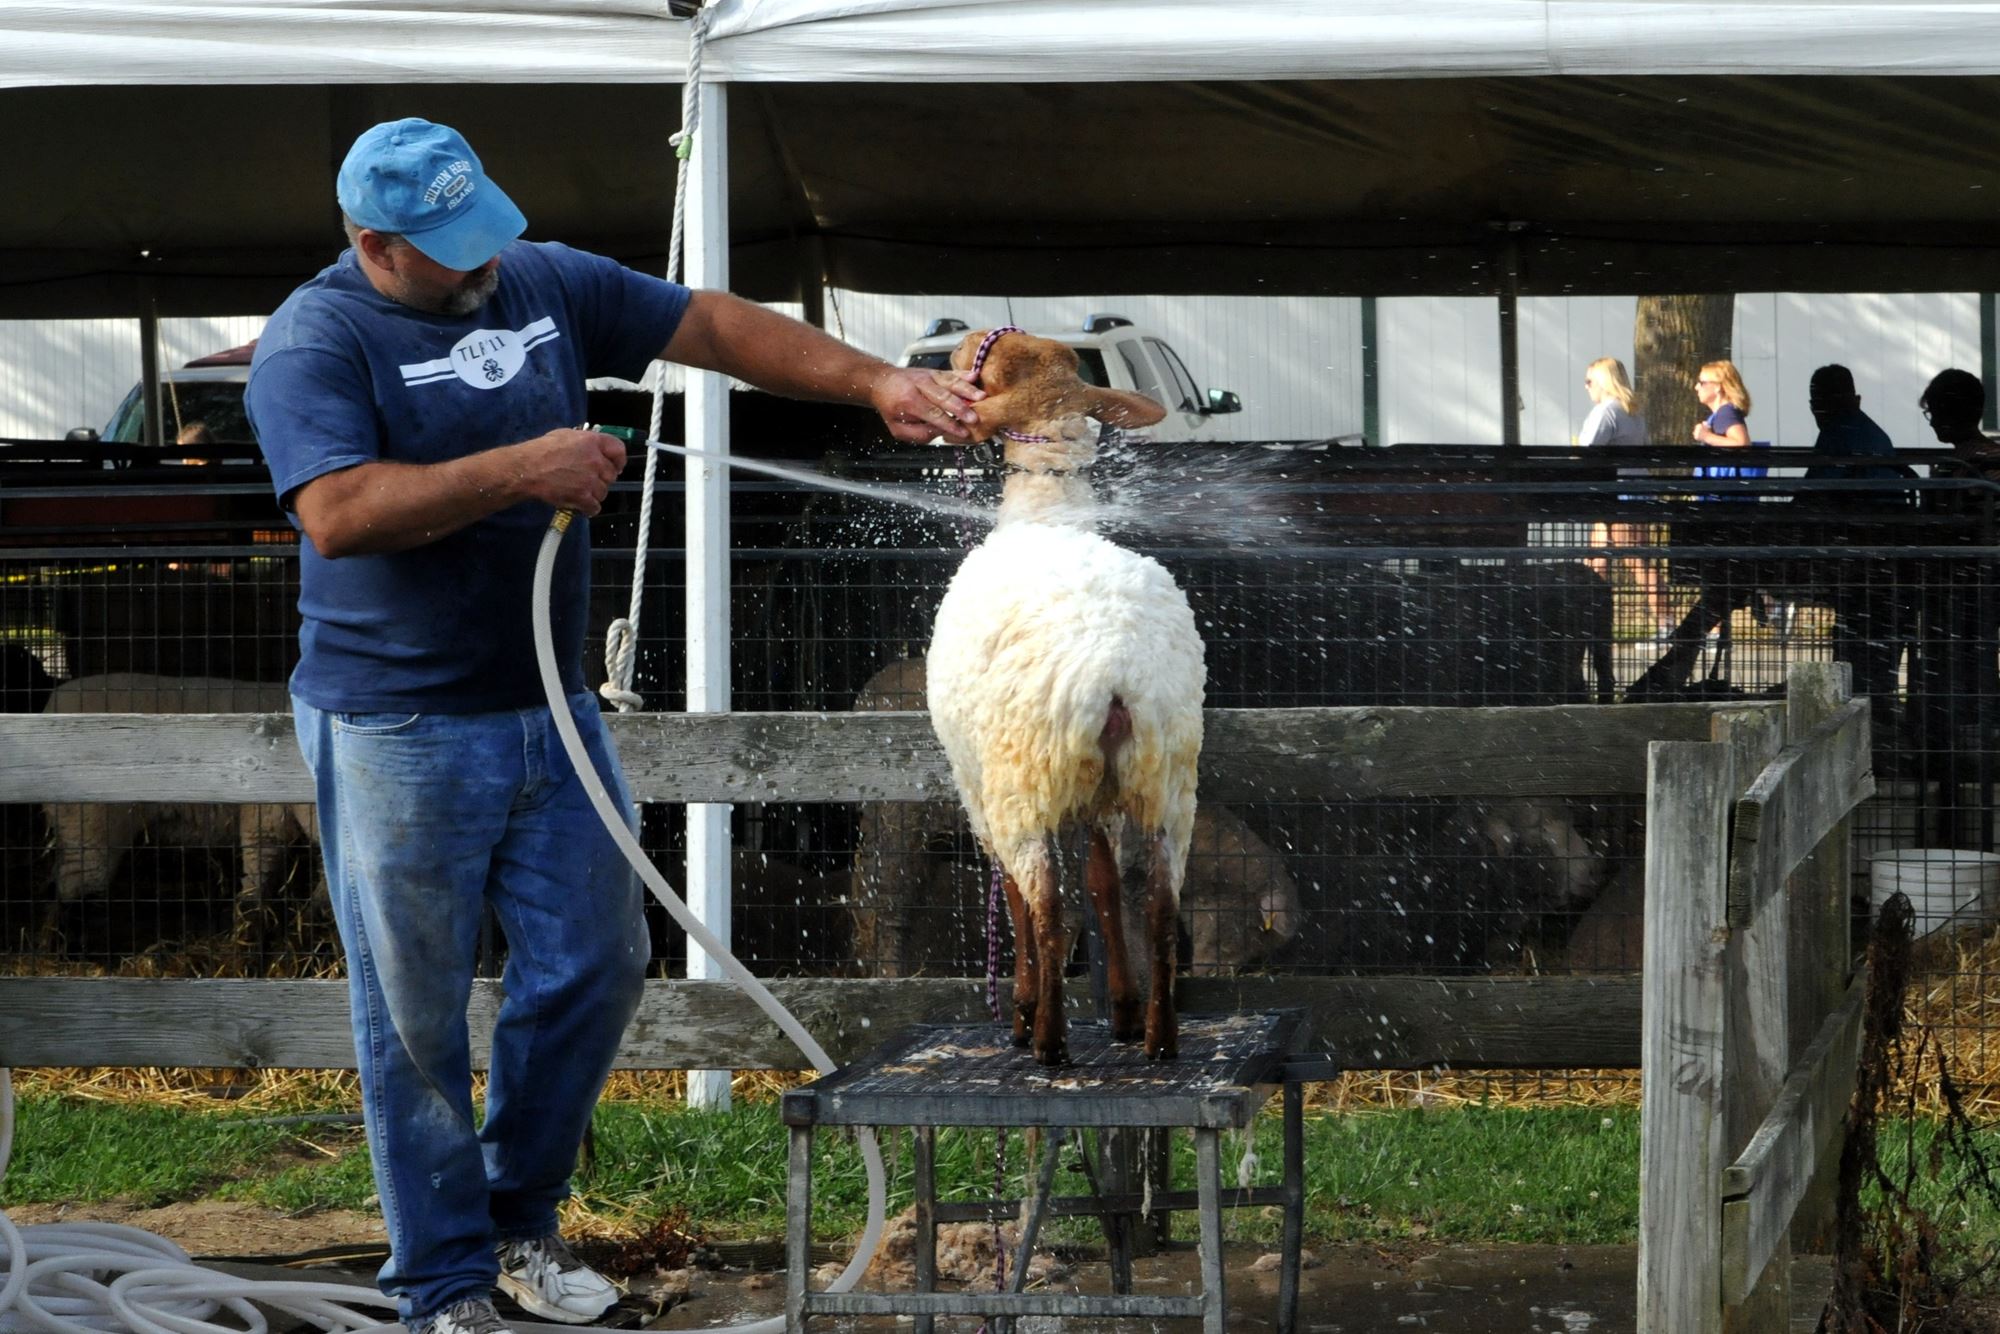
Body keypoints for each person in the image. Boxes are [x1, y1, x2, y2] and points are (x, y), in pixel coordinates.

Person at [244, 118, 984, 1334]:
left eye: (483, 225)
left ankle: (518, 1219)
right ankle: (440, 1282)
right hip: (397, 721)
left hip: (549, 703)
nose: (481, 261)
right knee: (415, 1011)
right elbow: (335, 511)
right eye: (445, 247)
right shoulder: (318, 338)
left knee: (597, 960)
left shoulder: (536, 277)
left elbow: (707, 320)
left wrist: (875, 381)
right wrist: (519, 468)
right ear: (374, 244)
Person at [1801, 364, 1915, 731]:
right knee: (1876, 643)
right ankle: (1876, 714)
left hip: (1861, 559)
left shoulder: (1838, 433)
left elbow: (1812, 498)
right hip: (1886, 558)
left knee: (1858, 641)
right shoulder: (1868, 432)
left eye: (1818, 402)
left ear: (1818, 403)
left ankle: (1861, 720)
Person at [1575, 356, 1669, 637]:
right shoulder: (1632, 411)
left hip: (1616, 495)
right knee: (1602, 560)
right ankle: (1592, 621)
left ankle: (1664, 622)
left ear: (1604, 382)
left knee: (1630, 560)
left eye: (1589, 381)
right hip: (1635, 490)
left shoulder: (1606, 412)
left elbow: (1588, 450)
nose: (1586, 387)